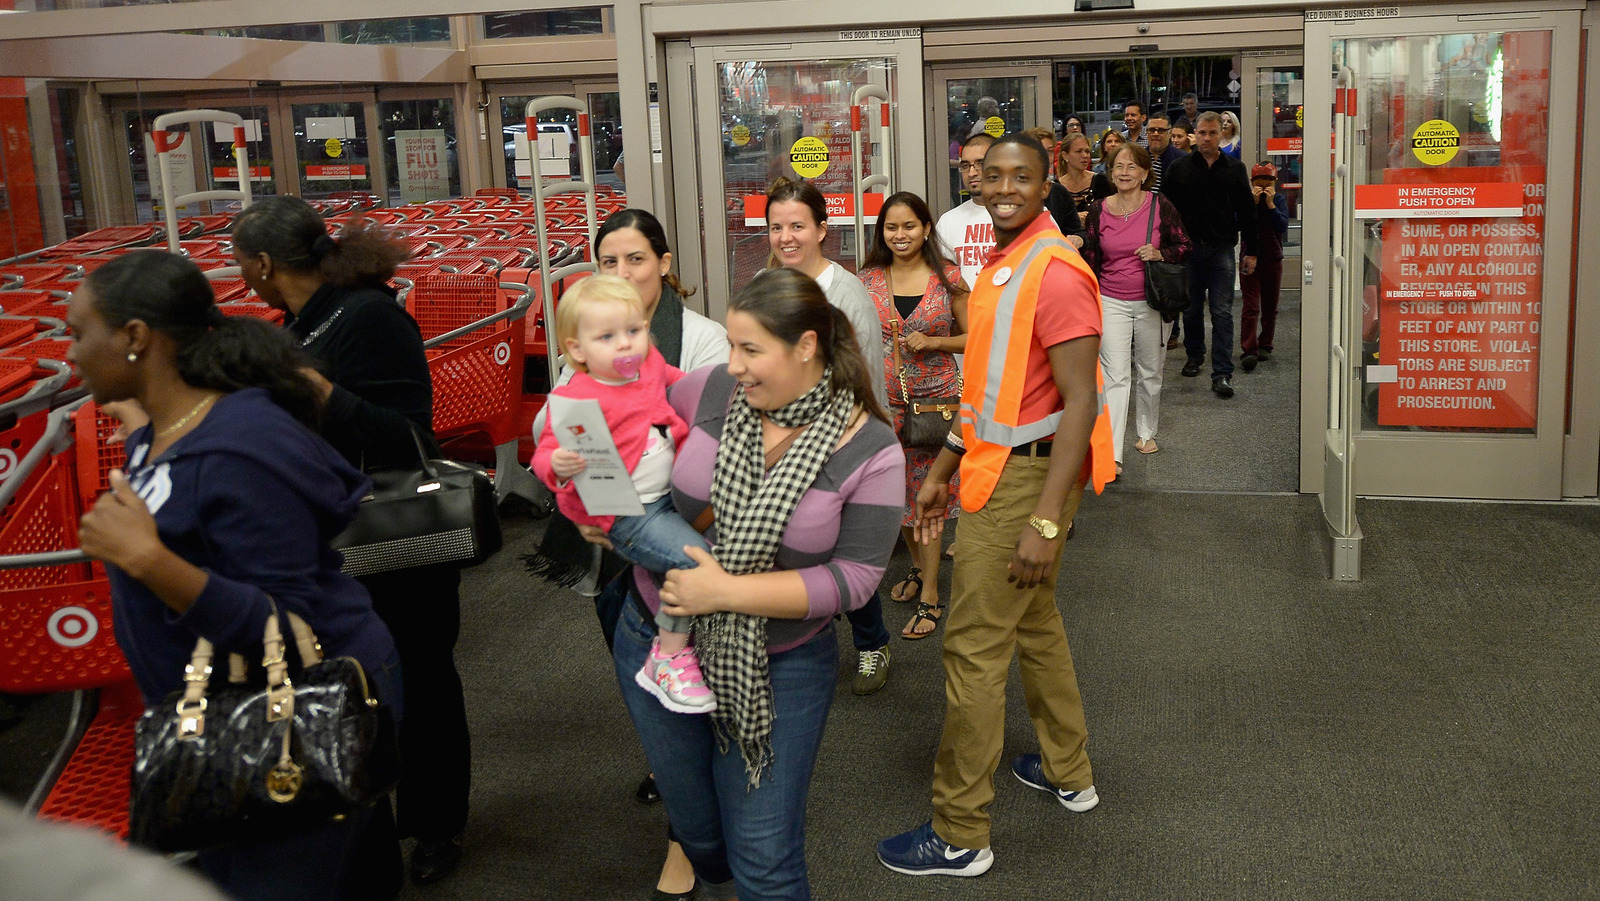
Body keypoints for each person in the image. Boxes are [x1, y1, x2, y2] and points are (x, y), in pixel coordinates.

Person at [68, 250, 402, 901]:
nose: (70, 353)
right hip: (229, 703)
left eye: (80, 332)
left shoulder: (242, 449)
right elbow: (180, 469)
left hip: (304, 704)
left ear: (136, 337)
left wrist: (147, 560)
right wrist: (138, 426)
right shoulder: (175, 426)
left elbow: (287, 627)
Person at [607, 266, 903, 898]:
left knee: (764, 859)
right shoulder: (711, 390)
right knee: (700, 836)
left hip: (781, 665)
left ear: (806, 347)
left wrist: (725, 593)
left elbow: (854, 580)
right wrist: (595, 501)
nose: (733, 363)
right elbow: (619, 413)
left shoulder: (870, 447)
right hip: (656, 640)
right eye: (732, 346)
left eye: (750, 349)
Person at [876, 132, 1115, 879]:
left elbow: (1079, 402)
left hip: (1027, 486)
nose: (1003, 186)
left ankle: (959, 832)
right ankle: (1068, 771)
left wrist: (1046, 520)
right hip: (994, 469)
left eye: (1022, 176)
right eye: (993, 175)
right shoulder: (1003, 267)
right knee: (1036, 623)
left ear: (1050, 186)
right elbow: (988, 390)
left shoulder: (1056, 271)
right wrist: (944, 464)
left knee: (974, 648)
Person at [231, 195, 467, 888]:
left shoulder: (369, 314)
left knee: (422, 681)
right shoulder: (302, 319)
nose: (243, 275)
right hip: (334, 540)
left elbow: (415, 437)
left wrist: (319, 390)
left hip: (398, 538)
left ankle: (436, 822)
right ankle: (373, 823)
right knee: (353, 691)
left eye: (243, 263)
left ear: (266, 264)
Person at [536, 207, 728, 901]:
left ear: (665, 263)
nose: (623, 274)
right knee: (644, 675)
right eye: (608, 262)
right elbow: (554, 433)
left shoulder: (698, 341)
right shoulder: (585, 356)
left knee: (707, 657)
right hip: (614, 537)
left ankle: (700, 830)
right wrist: (576, 480)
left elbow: (708, 433)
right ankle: (683, 807)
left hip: (682, 521)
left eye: (636, 260)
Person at [531, 275, 715, 714]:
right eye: (608, 337)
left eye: (635, 330)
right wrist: (557, 467)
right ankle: (668, 656)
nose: (627, 345)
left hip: (670, 495)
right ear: (577, 350)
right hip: (628, 513)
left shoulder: (647, 362)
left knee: (707, 550)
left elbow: (676, 378)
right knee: (695, 562)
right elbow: (545, 454)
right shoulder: (578, 397)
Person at [764, 175, 895, 695]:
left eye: (798, 225)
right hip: (778, 443)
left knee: (842, 556)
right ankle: (793, 645)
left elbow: (866, 385)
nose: (786, 237)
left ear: (823, 228)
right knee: (786, 550)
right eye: (777, 227)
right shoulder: (770, 287)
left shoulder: (847, 294)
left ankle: (872, 643)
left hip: (838, 449)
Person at [858, 191, 968, 640]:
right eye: (891, 227)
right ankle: (921, 574)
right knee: (898, 495)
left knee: (928, 494)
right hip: (883, 405)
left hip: (935, 403)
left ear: (926, 229)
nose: (899, 235)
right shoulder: (866, 280)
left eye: (908, 226)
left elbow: (981, 337)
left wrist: (937, 342)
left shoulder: (950, 279)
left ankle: (931, 596)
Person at [1080, 143, 1191, 467]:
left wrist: (1160, 253)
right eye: (1118, 166)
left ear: (1144, 173)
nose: (1124, 172)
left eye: (1131, 167)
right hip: (1110, 300)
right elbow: (1090, 259)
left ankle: (1146, 433)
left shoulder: (1160, 206)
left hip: (1151, 301)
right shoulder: (1099, 210)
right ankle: (1111, 453)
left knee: (1150, 371)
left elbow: (1185, 245)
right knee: (1115, 376)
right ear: (1110, 173)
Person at [1161, 111, 1259, 399]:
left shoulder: (1235, 168)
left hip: (1222, 250)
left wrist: (1251, 251)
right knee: (1190, 310)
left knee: (1222, 312)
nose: (1206, 138)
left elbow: (1248, 212)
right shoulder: (1179, 168)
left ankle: (1222, 374)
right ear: (1195, 134)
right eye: (1202, 133)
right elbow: (1165, 211)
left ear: (1221, 135)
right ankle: (1195, 355)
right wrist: (1167, 249)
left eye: (1212, 133)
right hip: (1188, 250)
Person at [1239, 161, 1290, 372]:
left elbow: (1282, 226)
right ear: (1252, 183)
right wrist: (1251, 203)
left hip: (1273, 258)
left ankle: (1266, 344)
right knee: (1251, 306)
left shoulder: (1279, 200)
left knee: (1271, 306)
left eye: (1268, 182)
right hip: (1249, 258)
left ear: (1275, 183)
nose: (1263, 187)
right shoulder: (1245, 200)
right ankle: (1249, 349)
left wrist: (1270, 205)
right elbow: (1239, 223)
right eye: (1259, 183)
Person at [937, 132, 997, 290]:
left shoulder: (1028, 215)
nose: (972, 173)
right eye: (965, 166)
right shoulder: (948, 222)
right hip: (965, 312)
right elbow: (942, 280)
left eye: (980, 164)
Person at [1055, 132, 1114, 228]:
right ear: (1065, 156)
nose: (1085, 155)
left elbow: (1110, 216)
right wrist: (1074, 218)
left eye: (1087, 151)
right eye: (1079, 151)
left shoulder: (1100, 181)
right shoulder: (1057, 188)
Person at [1145, 113, 1185, 193]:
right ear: (1146, 132)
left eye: (1161, 130)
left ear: (1170, 133)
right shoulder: (1138, 158)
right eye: (1152, 130)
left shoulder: (1182, 160)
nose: (1156, 134)